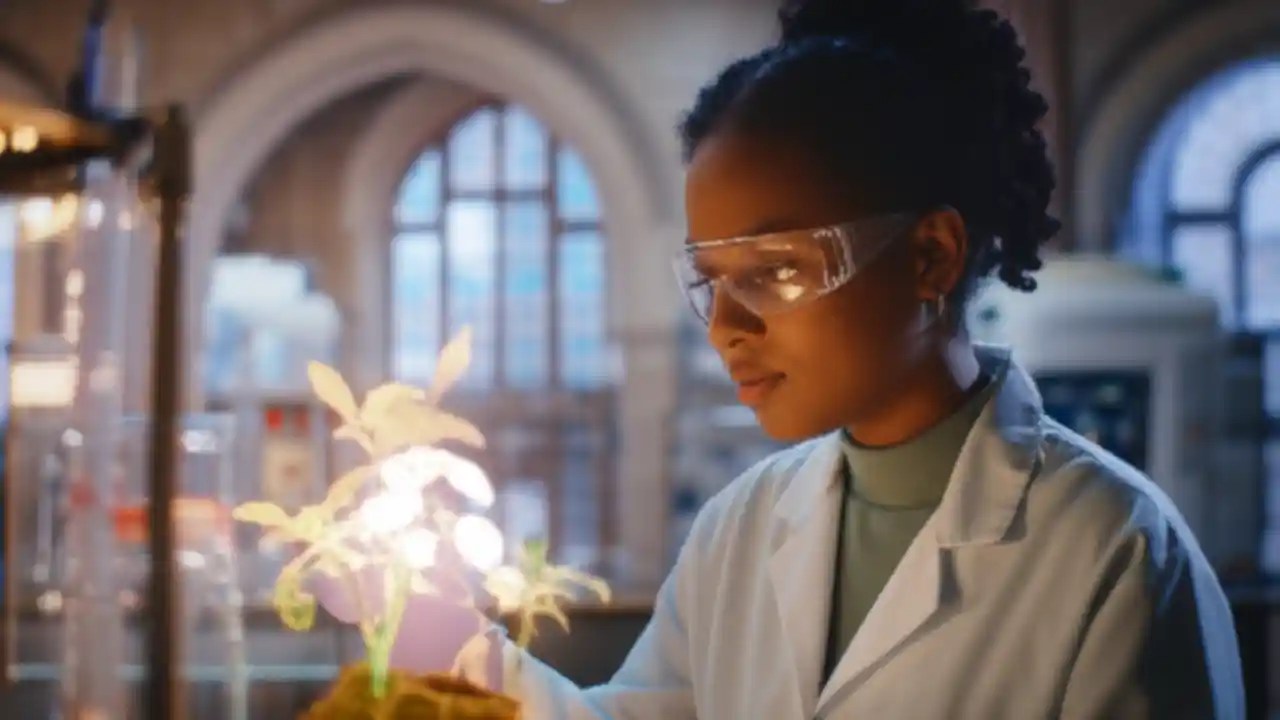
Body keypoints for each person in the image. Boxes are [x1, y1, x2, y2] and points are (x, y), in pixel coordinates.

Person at [503, 0, 1245, 717]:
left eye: (777, 269)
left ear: (930, 257)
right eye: (710, 279)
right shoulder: (740, 527)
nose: (725, 326)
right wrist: (453, 642)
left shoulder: (1112, 551)